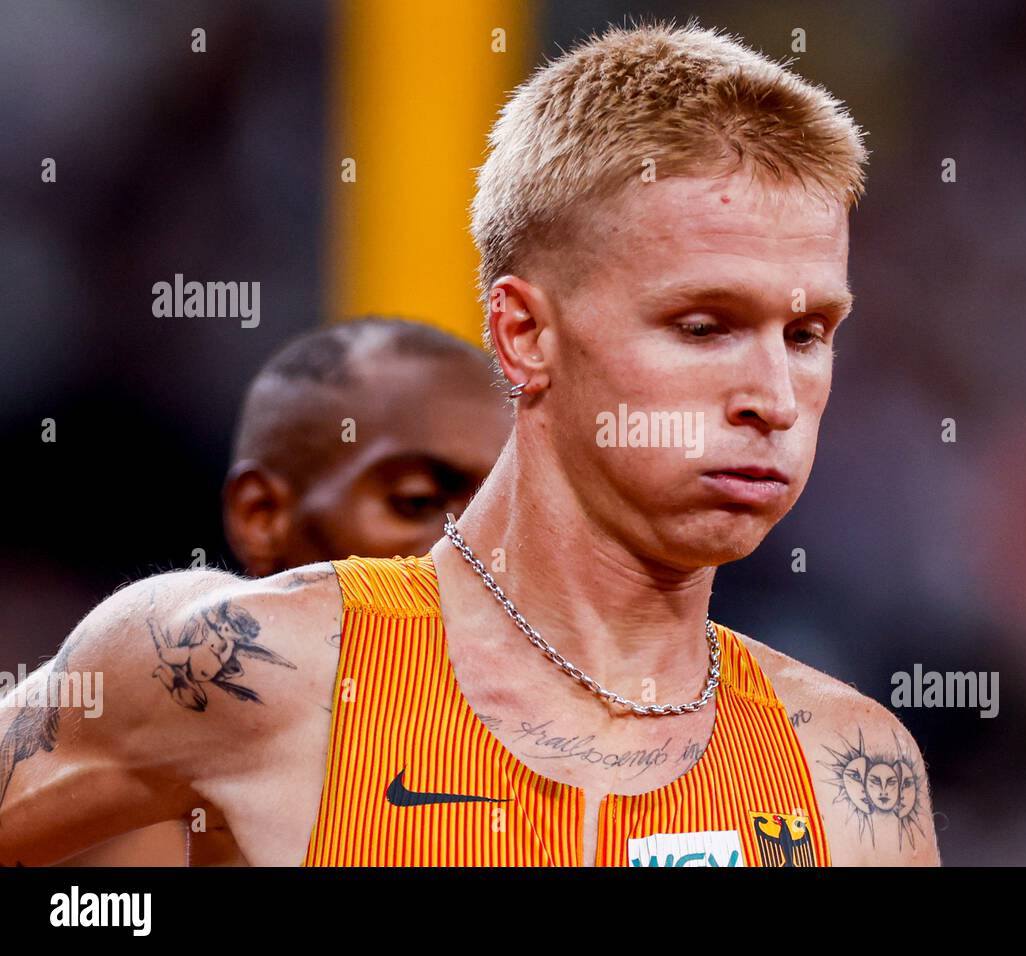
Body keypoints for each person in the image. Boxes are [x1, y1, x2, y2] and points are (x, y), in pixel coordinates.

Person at [0, 21, 938, 867]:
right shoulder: (244, 672)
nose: (774, 398)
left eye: (808, 334)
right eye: (703, 326)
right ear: (525, 335)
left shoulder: (850, 778)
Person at [55, 316, 513, 865]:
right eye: (415, 502)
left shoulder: (588, 759)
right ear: (262, 515)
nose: (475, 549)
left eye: (507, 511)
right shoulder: (131, 841)